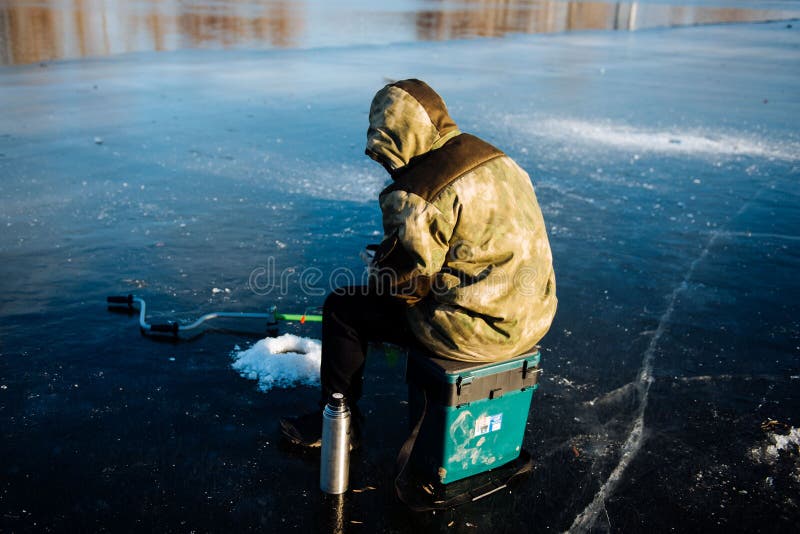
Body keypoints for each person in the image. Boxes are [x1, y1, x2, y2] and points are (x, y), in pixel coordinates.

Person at [280, 79, 556, 448]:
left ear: (393, 137)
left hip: (477, 334)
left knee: (343, 308)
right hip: (533, 317)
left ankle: (337, 426)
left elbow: (406, 287)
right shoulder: (496, 157)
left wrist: (381, 266)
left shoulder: (415, 193)